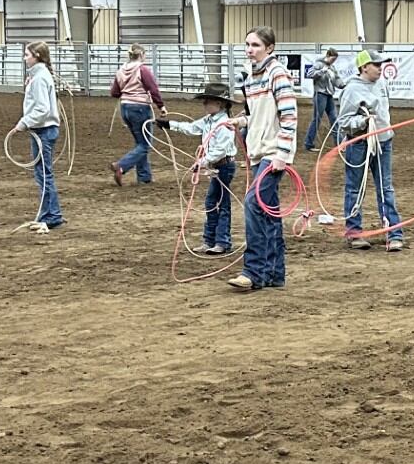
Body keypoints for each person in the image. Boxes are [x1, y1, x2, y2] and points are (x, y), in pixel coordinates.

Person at [228, 26, 298, 292]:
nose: (249, 50)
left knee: (253, 205)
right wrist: (240, 121)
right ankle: (274, 273)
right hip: (259, 151)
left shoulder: (277, 74)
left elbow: (289, 115)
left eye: (255, 45)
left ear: (269, 48)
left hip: (272, 153)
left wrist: (282, 153)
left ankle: (253, 272)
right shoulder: (251, 79)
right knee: (269, 214)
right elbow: (257, 115)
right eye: (247, 45)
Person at [156, 82, 240, 254]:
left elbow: (220, 150)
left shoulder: (225, 124)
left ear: (219, 104)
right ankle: (211, 240)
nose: (204, 104)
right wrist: (169, 124)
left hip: (224, 166)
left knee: (220, 203)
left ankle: (221, 242)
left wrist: (201, 162)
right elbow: (192, 128)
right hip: (216, 166)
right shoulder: (209, 120)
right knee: (212, 202)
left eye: (208, 101)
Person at [336, 50, 403, 252]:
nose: (380, 68)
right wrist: (364, 121)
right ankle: (354, 232)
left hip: (383, 141)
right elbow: (344, 122)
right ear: (364, 67)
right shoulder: (351, 90)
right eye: (376, 64)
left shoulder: (381, 84)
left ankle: (394, 233)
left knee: (386, 188)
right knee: (355, 188)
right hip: (359, 143)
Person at [16, 41, 64, 232]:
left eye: (27, 54)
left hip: (43, 130)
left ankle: (52, 215)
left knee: (44, 174)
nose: (24, 58)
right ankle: (49, 213)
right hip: (43, 130)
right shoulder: (39, 76)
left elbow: (42, 109)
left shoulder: (40, 77)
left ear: (36, 55)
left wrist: (24, 122)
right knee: (43, 173)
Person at [108, 44, 165, 186]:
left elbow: (115, 93)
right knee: (145, 144)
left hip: (125, 108)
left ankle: (144, 177)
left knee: (140, 142)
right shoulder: (143, 70)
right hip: (140, 108)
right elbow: (153, 88)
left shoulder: (121, 70)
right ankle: (121, 166)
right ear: (142, 55)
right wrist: (161, 106)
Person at [305, 48, 345, 151]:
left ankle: (339, 144)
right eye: (332, 59)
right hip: (320, 95)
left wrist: (342, 85)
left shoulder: (332, 68)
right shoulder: (318, 64)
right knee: (317, 119)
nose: (333, 61)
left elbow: (336, 79)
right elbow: (309, 74)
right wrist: (321, 71)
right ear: (328, 55)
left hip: (329, 95)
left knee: (334, 119)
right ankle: (308, 143)